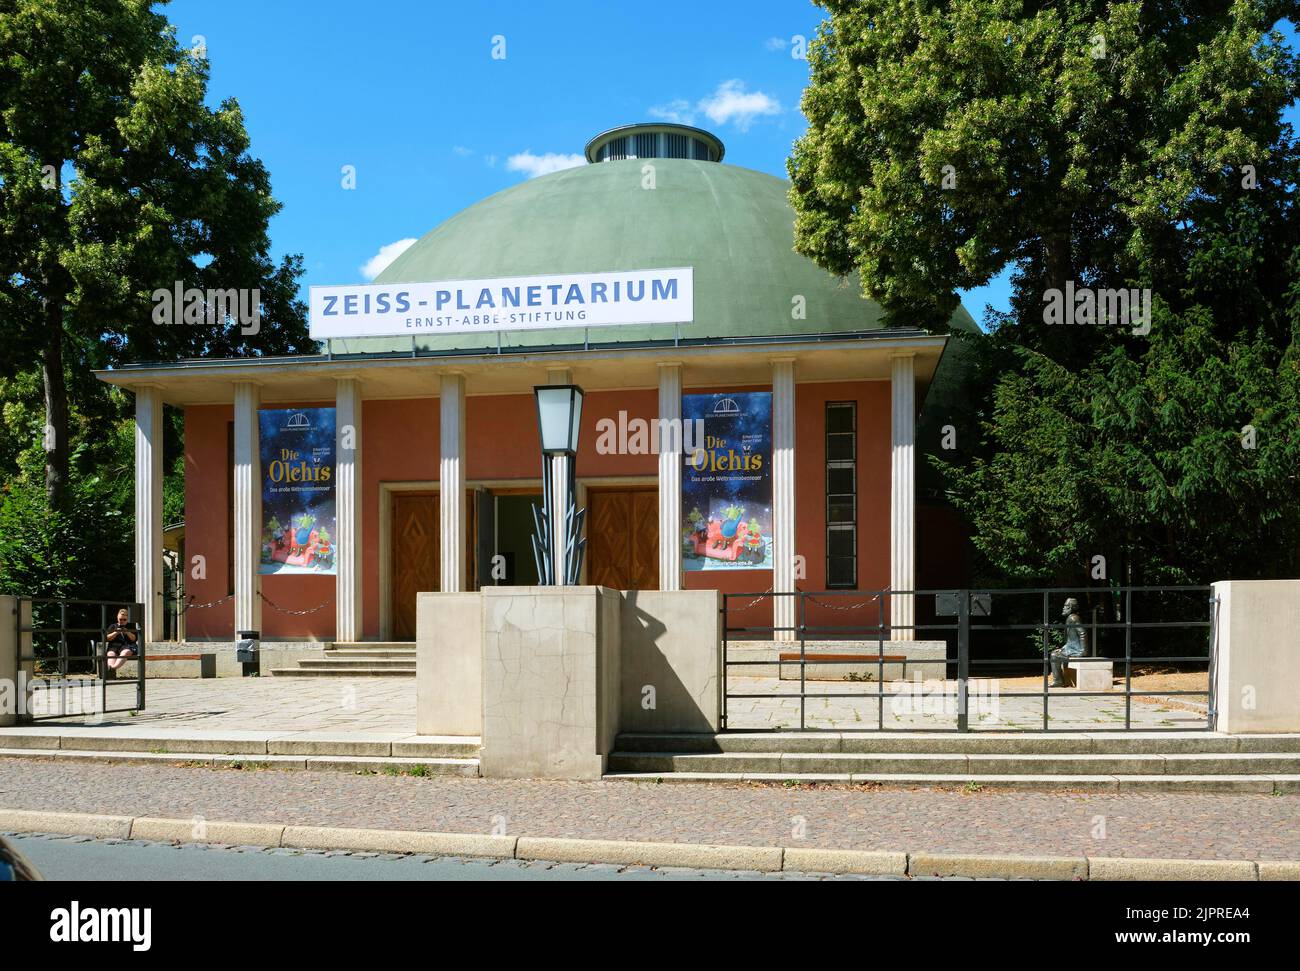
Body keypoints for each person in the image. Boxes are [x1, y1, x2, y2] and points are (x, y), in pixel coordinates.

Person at [1049, 597, 1089, 687]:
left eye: (1066, 606)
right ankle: (1059, 680)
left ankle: (1058, 681)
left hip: (1076, 649)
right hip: (1071, 647)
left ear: (1072, 608)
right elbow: (1071, 640)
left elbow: (1082, 633)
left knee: (1054, 655)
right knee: (1056, 653)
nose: (1063, 608)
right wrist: (1063, 648)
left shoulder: (1073, 618)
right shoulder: (1070, 618)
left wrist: (1083, 651)